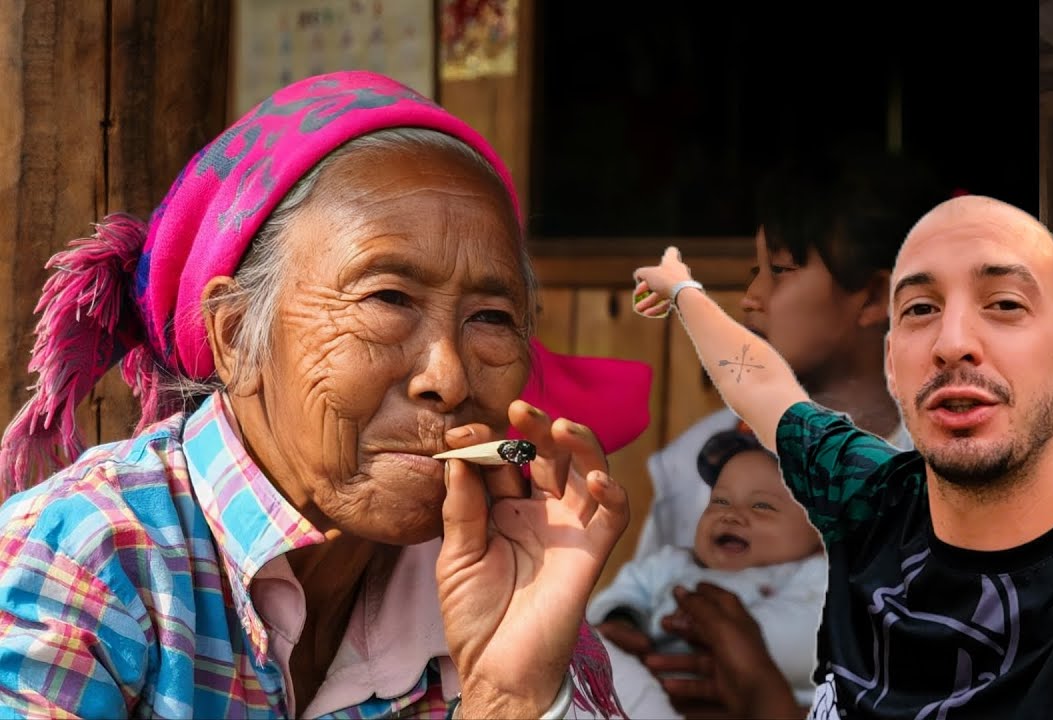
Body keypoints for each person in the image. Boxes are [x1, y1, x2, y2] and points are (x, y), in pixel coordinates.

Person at [0, 70, 640, 719]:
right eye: (388, 299)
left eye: (492, 318)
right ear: (234, 337)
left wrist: (507, 696)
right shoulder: (89, 558)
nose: (448, 378)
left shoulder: (482, 581)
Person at [632, 194, 1053, 718]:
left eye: (1004, 304)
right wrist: (683, 290)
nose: (953, 342)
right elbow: (762, 386)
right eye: (920, 309)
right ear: (893, 361)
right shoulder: (869, 498)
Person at [633, 151, 933, 563]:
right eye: (752, 272)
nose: (750, 299)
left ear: (877, 297)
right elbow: (650, 601)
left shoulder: (941, 472)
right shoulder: (694, 465)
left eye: (778, 269)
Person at [587, 428, 826, 718]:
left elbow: (809, 641)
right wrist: (623, 620)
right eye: (720, 501)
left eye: (762, 506)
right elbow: (627, 590)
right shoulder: (673, 563)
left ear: (820, 533)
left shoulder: (814, 575)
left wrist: (720, 634)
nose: (731, 514)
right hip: (651, 696)